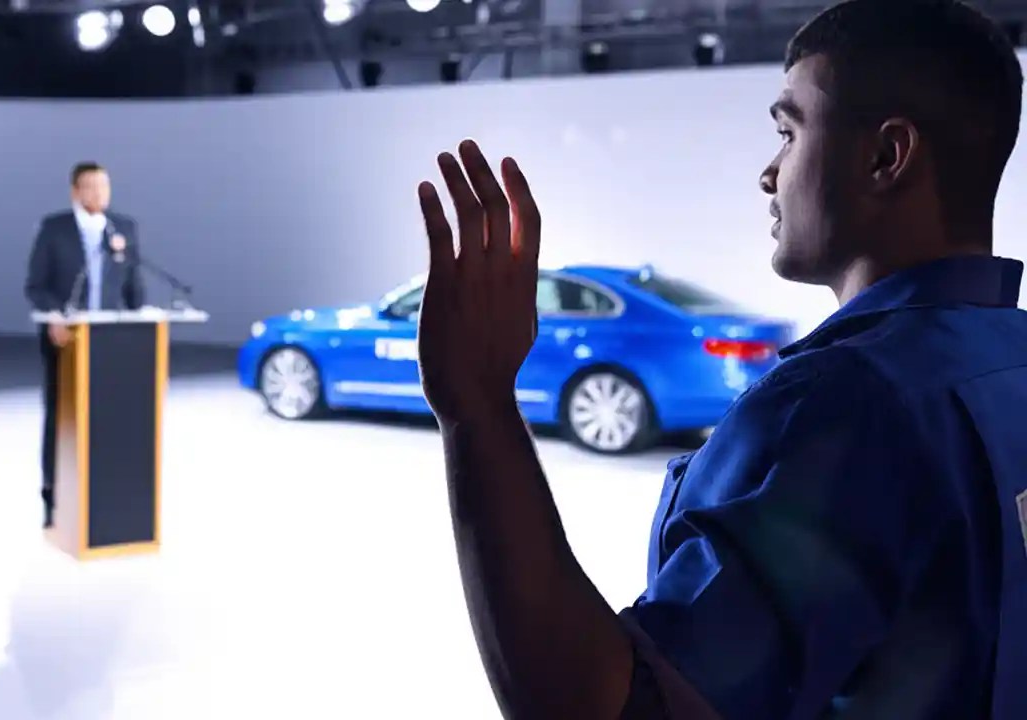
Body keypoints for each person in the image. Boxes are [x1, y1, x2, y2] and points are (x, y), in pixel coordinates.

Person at [413, 1, 1024, 718]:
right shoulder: (1006, 360)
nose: (770, 175)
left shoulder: (849, 407)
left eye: (788, 131)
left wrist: (478, 407)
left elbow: (609, 708)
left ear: (885, 156)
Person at [24, 161, 145, 528]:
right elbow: (35, 286)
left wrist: (125, 261)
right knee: (60, 420)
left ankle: (104, 500)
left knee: (107, 419)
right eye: (91, 187)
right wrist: (54, 315)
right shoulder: (54, 228)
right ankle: (53, 497)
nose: (99, 194)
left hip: (109, 344)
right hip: (65, 340)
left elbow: (134, 294)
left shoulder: (123, 229)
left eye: (104, 186)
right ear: (75, 191)